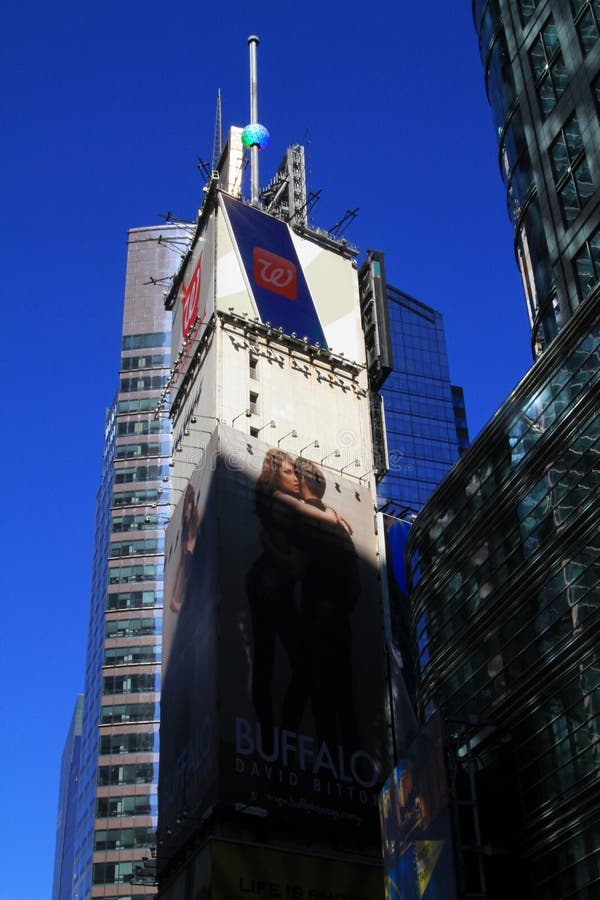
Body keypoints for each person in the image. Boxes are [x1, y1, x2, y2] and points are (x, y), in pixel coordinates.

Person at [289, 458, 360, 751]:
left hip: (317, 622)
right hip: (338, 623)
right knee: (343, 698)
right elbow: (356, 582)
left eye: (294, 476)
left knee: (316, 697)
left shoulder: (304, 518)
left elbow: (295, 563)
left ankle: (331, 762)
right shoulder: (340, 527)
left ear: (302, 480)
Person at [169, 482, 202, 613]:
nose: (187, 513)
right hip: (192, 585)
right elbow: (180, 565)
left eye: (190, 506)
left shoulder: (198, 516)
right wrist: (172, 594)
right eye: (185, 510)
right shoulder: (184, 536)